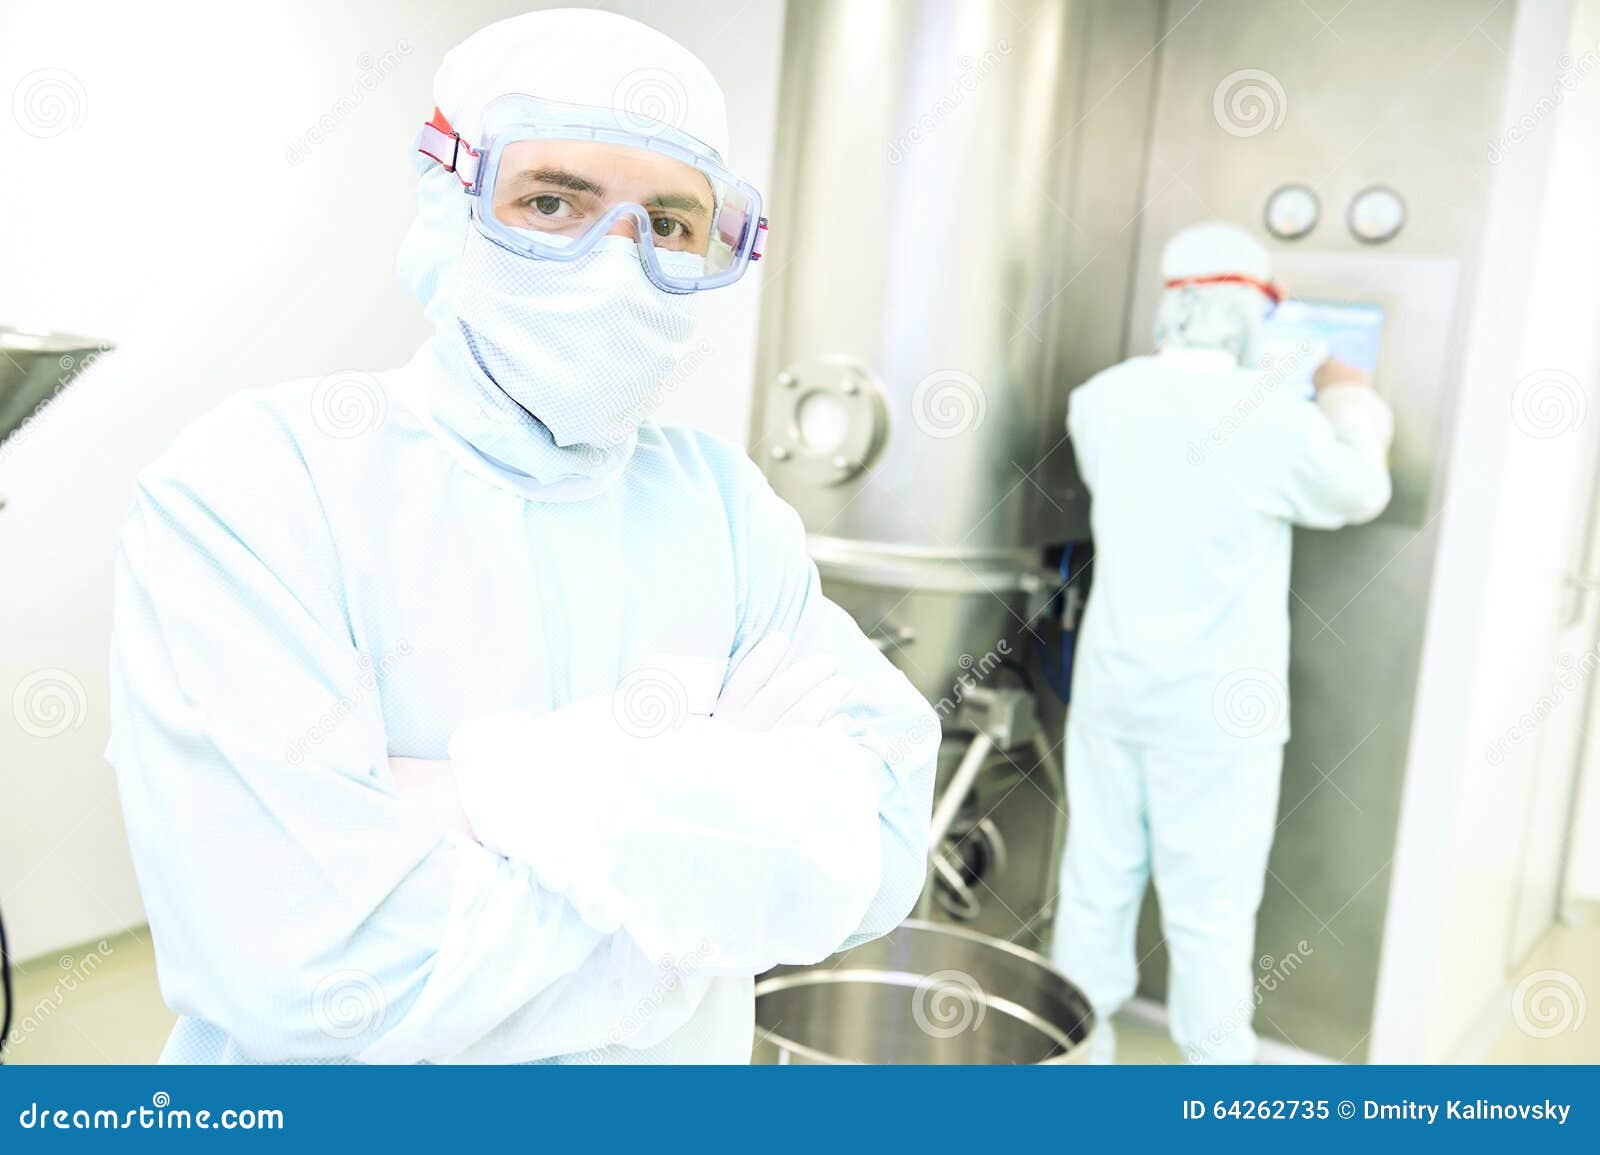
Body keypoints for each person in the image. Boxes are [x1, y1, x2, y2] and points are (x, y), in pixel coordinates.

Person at [105, 8, 937, 1064]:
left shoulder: (725, 509)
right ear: (448, 202)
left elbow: (878, 851)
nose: (618, 263)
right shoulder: (252, 488)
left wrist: (489, 792)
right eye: (552, 201)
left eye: (672, 224)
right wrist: (713, 862)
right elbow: (317, 974)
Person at [1050, 221, 1394, 1063]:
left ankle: (1067, 1080)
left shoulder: (1100, 399)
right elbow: (1361, 490)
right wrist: (1349, 394)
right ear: (1251, 307)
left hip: (1113, 693)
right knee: (1208, 916)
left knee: (1093, 891)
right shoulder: (1272, 416)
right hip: (1216, 716)